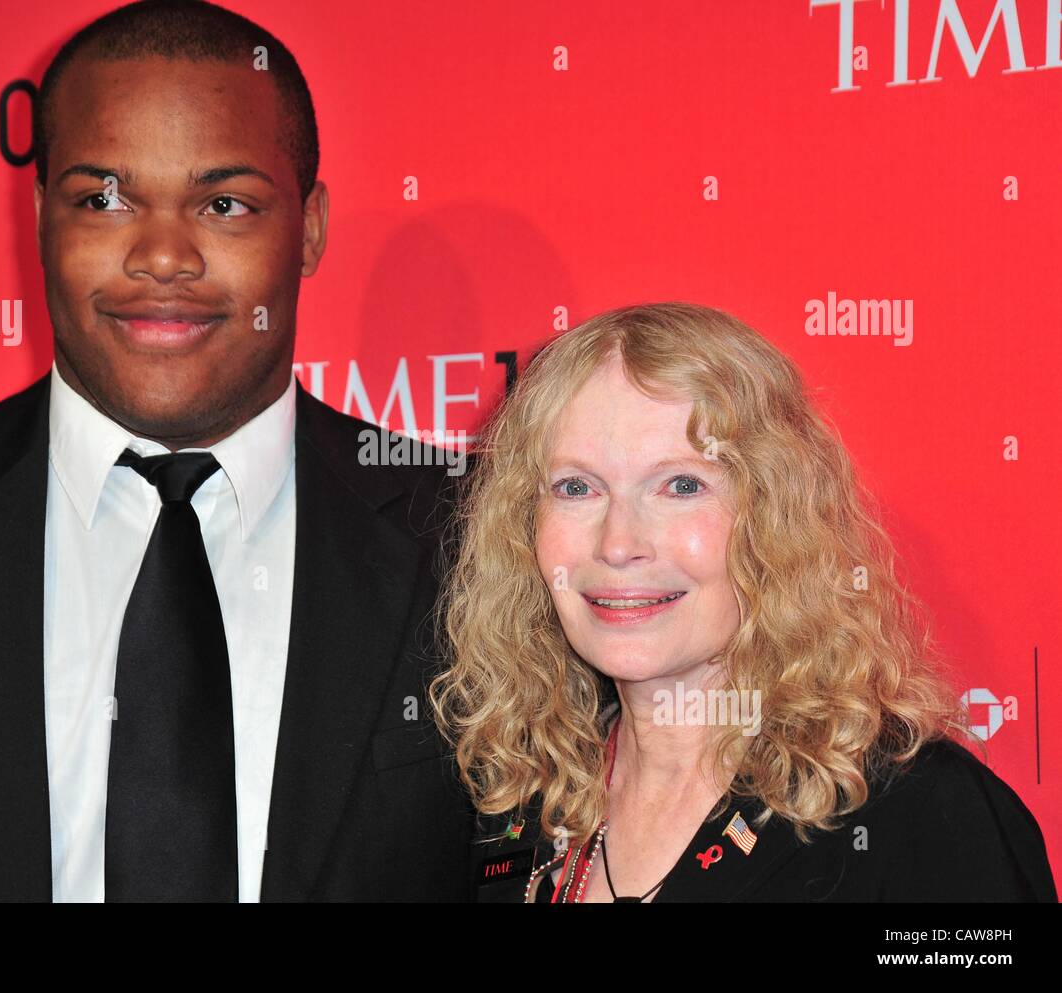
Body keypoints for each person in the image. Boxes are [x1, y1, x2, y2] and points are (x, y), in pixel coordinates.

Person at [0, 0, 474, 902]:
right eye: (104, 198)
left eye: (224, 203)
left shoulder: (473, 542)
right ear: (40, 218)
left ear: (312, 228)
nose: (162, 256)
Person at [430, 302, 1057, 903]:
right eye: (576, 487)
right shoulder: (518, 807)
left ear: (773, 519)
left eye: (681, 486)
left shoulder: (921, 812)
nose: (618, 544)